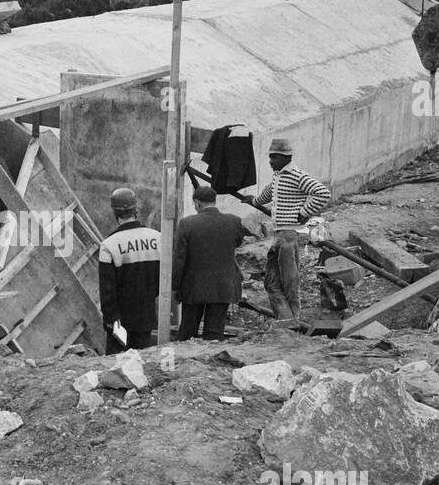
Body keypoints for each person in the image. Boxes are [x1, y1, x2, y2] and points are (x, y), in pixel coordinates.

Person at [241, 139, 331, 326]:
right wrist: (255, 201)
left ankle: (293, 321)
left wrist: (303, 212)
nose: (270, 161)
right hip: (279, 234)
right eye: (270, 157)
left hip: (289, 235)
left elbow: (323, 193)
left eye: (274, 157)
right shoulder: (278, 175)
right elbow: (270, 191)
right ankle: (286, 319)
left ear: (285, 157)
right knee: (271, 282)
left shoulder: (296, 175)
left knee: (290, 282)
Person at [172, 185, 248, 340]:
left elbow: (179, 259)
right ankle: (211, 361)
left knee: (187, 331)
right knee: (214, 333)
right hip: (224, 286)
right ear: (214, 201)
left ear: (197, 203)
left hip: (194, 287)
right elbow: (237, 242)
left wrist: (175, 287)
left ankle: (186, 362)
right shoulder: (234, 221)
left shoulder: (187, 224)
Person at [98, 186, 161, 350]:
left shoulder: (109, 245)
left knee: (118, 366)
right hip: (146, 315)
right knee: (140, 364)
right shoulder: (157, 238)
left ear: (115, 213)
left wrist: (111, 319)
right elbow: (163, 278)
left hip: (120, 321)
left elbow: (107, 291)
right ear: (136, 210)